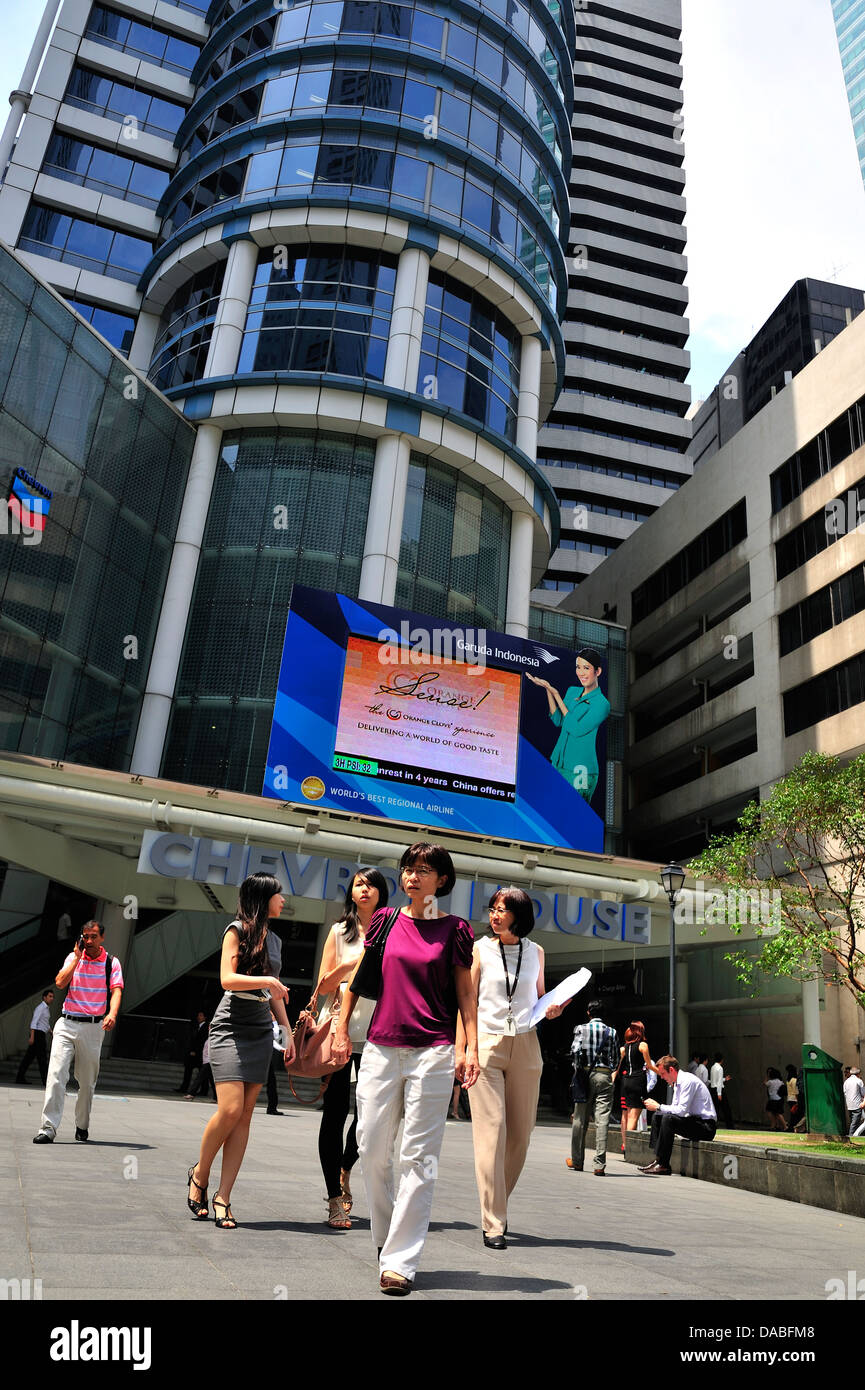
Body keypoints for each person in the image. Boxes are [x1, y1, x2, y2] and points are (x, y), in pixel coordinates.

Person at [332, 841, 478, 1296]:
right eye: (408, 869)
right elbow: (359, 980)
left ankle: (400, 1261)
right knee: (371, 1147)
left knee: (418, 1157)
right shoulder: (385, 920)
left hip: (433, 1050)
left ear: (443, 880)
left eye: (424, 870)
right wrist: (340, 1029)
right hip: (379, 1045)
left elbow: (465, 995)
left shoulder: (456, 929)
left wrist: (468, 1047)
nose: (413, 877)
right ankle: (385, 1241)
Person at [186, 874, 295, 1229]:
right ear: (263, 898)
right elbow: (227, 980)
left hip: (261, 1028)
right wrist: (266, 981)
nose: (283, 900)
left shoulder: (275, 941)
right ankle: (200, 1174)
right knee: (230, 1109)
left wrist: (288, 1031)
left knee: (246, 1116)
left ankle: (223, 1197)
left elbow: (274, 994)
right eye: (279, 895)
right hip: (230, 1026)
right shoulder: (236, 930)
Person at [458, 888, 564, 1249]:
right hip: (486, 1044)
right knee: (493, 1130)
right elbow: (466, 1002)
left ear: (520, 914)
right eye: (493, 909)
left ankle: (496, 1202)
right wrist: (463, 1050)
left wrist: (554, 1008)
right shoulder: (479, 949)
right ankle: (493, 1221)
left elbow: (539, 996)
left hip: (526, 1043)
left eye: (503, 909)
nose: (495, 915)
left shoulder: (536, 952)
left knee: (521, 1134)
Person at [311, 867, 389, 1229]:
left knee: (370, 1118)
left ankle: (345, 1166)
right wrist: (350, 963)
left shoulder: (393, 929)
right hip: (341, 1031)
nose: (364, 890)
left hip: (380, 1032)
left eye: (371, 885)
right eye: (359, 884)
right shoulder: (340, 931)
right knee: (335, 1111)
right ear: (352, 892)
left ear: (381, 893)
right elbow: (325, 985)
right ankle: (333, 1200)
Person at [32, 921, 123, 1144]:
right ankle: (48, 1127)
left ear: (102, 937)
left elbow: (116, 990)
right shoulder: (74, 957)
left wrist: (112, 1014)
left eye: (93, 937)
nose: (89, 941)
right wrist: (77, 958)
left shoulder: (111, 962)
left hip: (94, 1026)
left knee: (86, 1081)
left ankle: (82, 1125)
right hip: (67, 1023)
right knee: (56, 1075)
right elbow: (60, 983)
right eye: (85, 936)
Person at [526, 648, 610, 801]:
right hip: (558, 763)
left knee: (572, 818)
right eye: (578, 667)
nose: (581, 673)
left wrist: (557, 695)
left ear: (598, 671)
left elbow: (577, 729)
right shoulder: (572, 692)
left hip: (581, 770)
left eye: (586, 668)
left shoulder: (602, 704)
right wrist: (548, 690)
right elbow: (558, 719)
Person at [639, 1055, 717, 1174]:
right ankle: (659, 1159)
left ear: (671, 1070)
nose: (662, 1077)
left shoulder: (687, 1080)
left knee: (667, 1119)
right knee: (658, 1116)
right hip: (694, 1121)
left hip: (706, 1127)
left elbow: (681, 1110)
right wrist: (658, 1109)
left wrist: (658, 1106)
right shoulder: (677, 1083)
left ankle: (664, 1164)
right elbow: (674, 1108)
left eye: (663, 1074)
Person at [568, 1000, 619, 1175]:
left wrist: (578, 1071)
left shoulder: (581, 1029)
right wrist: (609, 1069)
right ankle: (599, 1164)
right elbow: (615, 1058)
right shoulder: (612, 1032)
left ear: (589, 1013)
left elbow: (575, 1052)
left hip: (585, 1075)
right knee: (602, 1119)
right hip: (604, 1075)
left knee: (579, 1119)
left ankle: (577, 1161)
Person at [617, 1020, 654, 1139]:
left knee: (625, 1114)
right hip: (638, 1080)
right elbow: (649, 1065)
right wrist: (660, 1072)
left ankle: (625, 1144)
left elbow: (617, 1066)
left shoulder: (623, 1048)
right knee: (633, 1116)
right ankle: (629, 1146)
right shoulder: (642, 1045)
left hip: (625, 1080)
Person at [16, 988, 55, 1085]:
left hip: (40, 1034)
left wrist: (51, 1032)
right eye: (50, 996)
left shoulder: (46, 1008)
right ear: (44, 997)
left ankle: (19, 1078)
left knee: (28, 1058)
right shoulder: (40, 1008)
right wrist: (32, 1037)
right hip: (37, 1035)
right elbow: (34, 1022)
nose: (52, 998)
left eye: (53, 997)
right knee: (42, 1059)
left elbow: (45, 1023)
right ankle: (46, 1082)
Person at [177, 1011, 208, 1096]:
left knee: (202, 1073)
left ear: (205, 1018)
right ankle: (184, 1088)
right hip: (193, 1053)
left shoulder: (206, 1027)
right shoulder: (196, 1026)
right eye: (198, 1015)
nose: (198, 1017)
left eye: (201, 1016)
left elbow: (201, 1041)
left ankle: (203, 1091)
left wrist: (195, 1051)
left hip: (199, 1054)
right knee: (188, 1070)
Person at [710, 1053, 733, 1128]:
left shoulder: (713, 1067)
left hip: (713, 1089)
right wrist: (719, 1093)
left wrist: (724, 1079)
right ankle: (730, 1126)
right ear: (722, 1060)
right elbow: (719, 1082)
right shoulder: (720, 1068)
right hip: (719, 1090)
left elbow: (715, 1080)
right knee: (726, 1109)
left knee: (715, 1109)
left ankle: (712, 1124)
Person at [764, 1067, 788, 1131]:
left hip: (772, 1099)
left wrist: (767, 1076)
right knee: (778, 1113)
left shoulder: (770, 1082)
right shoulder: (780, 1082)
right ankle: (778, 1125)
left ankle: (781, 1126)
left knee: (770, 1112)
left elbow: (765, 1083)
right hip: (779, 1099)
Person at [843, 1066, 865, 1136]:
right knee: (854, 1124)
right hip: (858, 1105)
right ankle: (851, 1136)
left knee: (854, 1122)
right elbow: (864, 1093)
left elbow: (845, 1093)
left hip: (850, 1106)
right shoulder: (859, 1081)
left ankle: (855, 1135)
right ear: (858, 1073)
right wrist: (864, 1102)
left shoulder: (846, 1082)